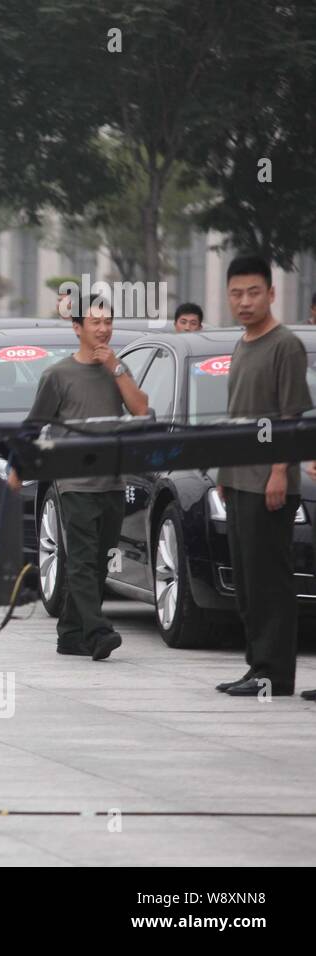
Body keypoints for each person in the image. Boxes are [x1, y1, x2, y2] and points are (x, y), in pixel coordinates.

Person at [7, 295, 149, 660]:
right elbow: (34, 425)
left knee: (99, 560)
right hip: (74, 484)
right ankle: (97, 631)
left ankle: (70, 633)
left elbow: (141, 409)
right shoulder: (57, 375)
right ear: (77, 328)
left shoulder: (117, 369)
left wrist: (116, 367)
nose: (103, 329)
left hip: (113, 481)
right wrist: (17, 468)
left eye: (108, 322)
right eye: (95, 323)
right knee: (83, 560)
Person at [211, 255, 316, 699]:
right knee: (248, 580)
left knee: (270, 580)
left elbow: (290, 416)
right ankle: (257, 666)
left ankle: (275, 673)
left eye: (254, 292)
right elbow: (238, 415)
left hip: (268, 484)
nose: (245, 301)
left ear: (272, 294)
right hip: (237, 478)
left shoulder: (284, 345)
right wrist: (223, 470)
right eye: (236, 293)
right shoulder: (242, 343)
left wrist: (279, 472)